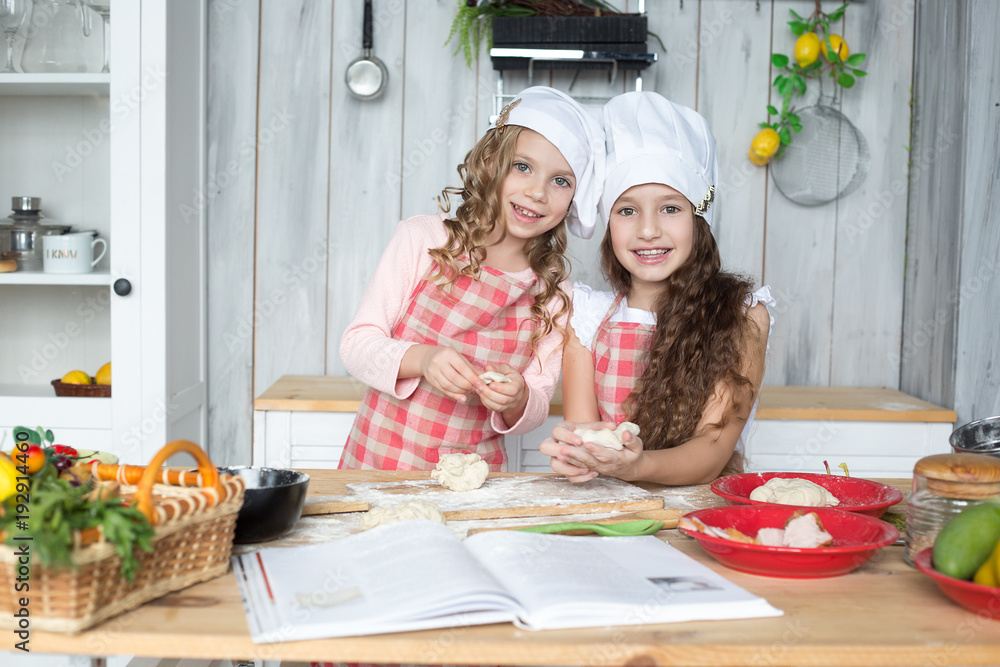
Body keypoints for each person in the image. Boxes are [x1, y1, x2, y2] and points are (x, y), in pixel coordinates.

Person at [338, 87, 604, 472]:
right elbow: (356, 345)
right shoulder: (426, 239)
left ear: (573, 201)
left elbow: (539, 402)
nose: (537, 192)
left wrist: (517, 399)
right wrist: (423, 358)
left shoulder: (554, 295)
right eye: (523, 166)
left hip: (476, 480)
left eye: (560, 181)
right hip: (379, 464)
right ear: (492, 162)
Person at [540, 91, 774, 486]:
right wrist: (577, 453)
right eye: (627, 210)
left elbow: (713, 448)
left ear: (700, 219)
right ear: (609, 224)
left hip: (700, 513)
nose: (648, 230)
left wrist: (639, 466)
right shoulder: (587, 319)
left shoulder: (741, 315)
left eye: (670, 208)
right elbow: (584, 427)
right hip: (611, 510)